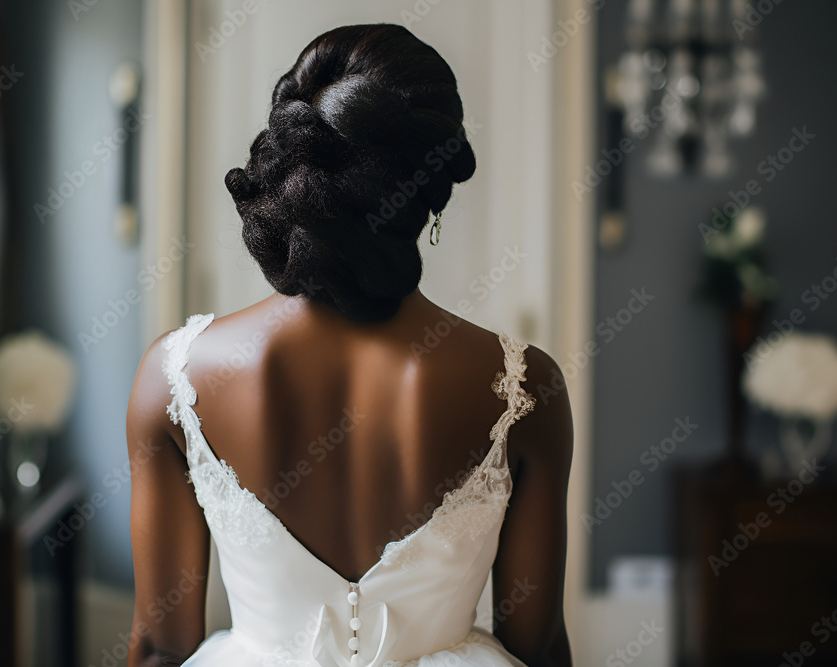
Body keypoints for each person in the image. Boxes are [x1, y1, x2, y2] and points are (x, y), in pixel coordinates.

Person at [126, 23, 573, 667]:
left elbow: (160, 645)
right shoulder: (527, 389)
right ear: (432, 193)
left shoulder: (174, 377)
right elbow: (537, 645)